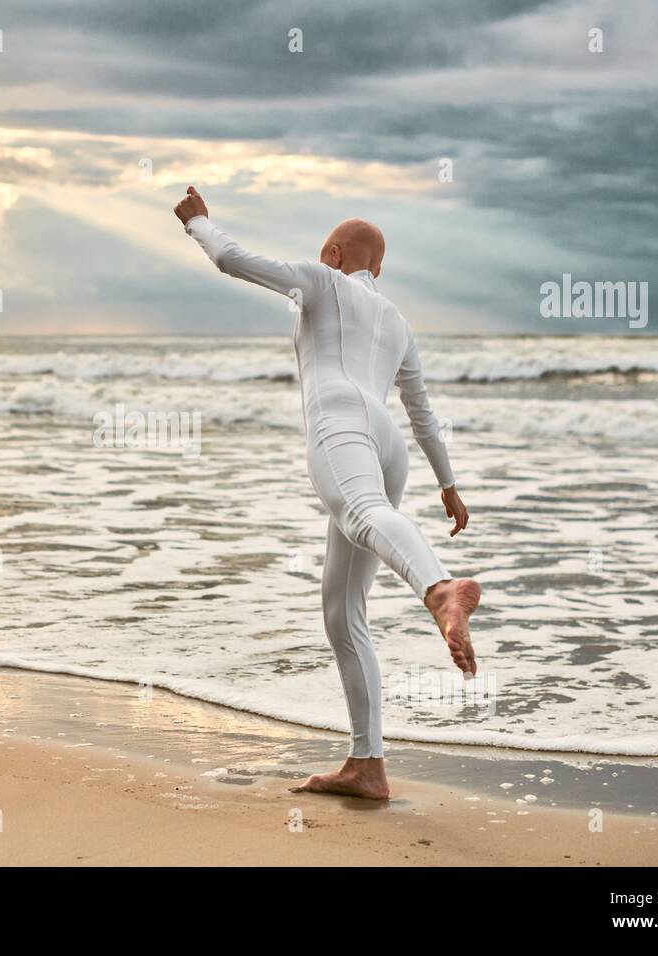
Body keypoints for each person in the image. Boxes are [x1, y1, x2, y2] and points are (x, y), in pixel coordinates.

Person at [174, 186, 481, 799]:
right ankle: (368, 766)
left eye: (324, 252)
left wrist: (198, 222)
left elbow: (232, 259)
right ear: (379, 269)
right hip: (387, 439)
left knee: (363, 514)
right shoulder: (395, 320)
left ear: (335, 255)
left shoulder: (318, 280)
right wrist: (447, 484)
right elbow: (421, 413)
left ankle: (440, 587)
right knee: (343, 613)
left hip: (339, 420)